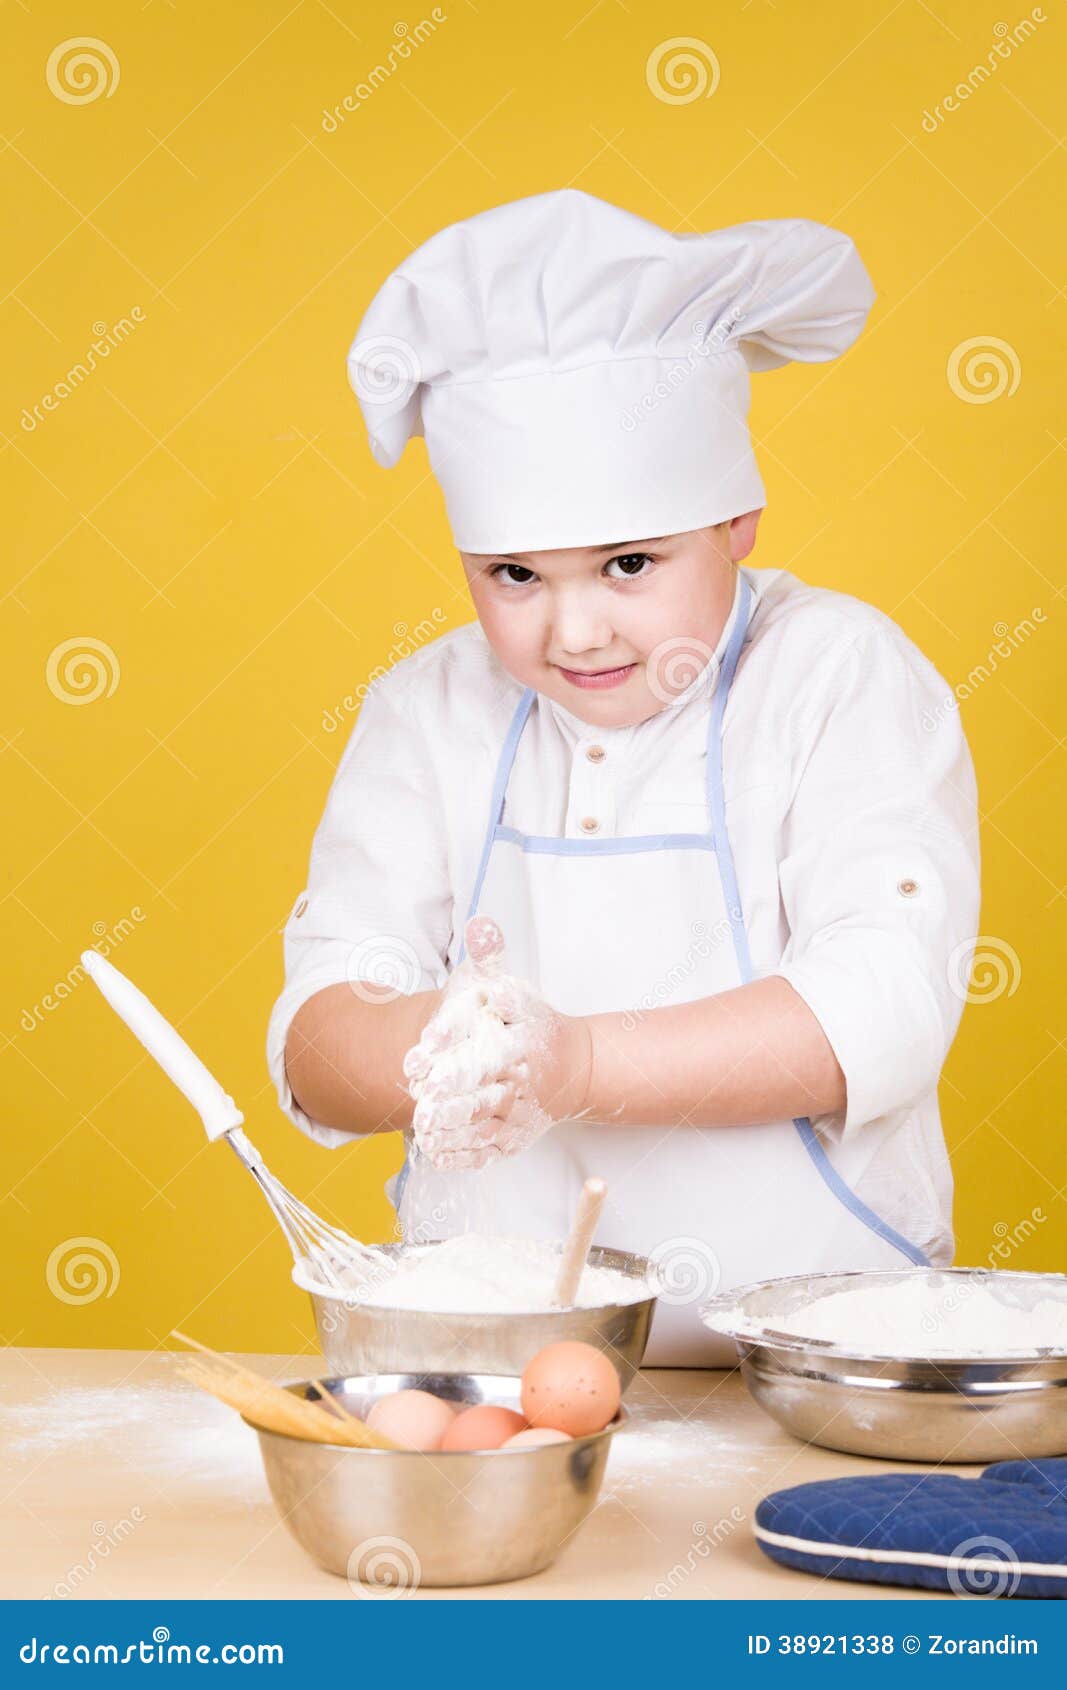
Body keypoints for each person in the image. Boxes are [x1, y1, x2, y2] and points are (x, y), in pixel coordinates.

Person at [266, 190, 980, 1364]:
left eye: (628, 563)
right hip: (494, 1360)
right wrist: (442, 1047)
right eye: (512, 576)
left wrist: (575, 1063)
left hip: (811, 1359)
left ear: (736, 519)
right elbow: (317, 1035)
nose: (576, 630)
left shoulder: (834, 677)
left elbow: (881, 1003)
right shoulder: (424, 713)